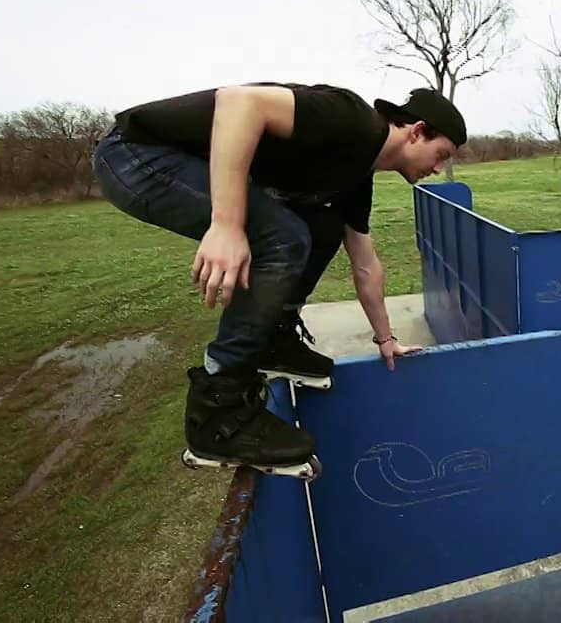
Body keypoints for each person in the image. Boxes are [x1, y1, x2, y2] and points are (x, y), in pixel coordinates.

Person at [91, 83, 466, 475]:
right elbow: (240, 101)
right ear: (417, 131)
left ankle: (274, 339)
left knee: (322, 223)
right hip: (135, 155)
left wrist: (386, 340)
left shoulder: (356, 176)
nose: (438, 168)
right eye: (440, 154)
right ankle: (218, 412)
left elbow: (365, 264)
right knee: (283, 236)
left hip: (162, 161)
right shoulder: (350, 120)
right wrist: (227, 224)